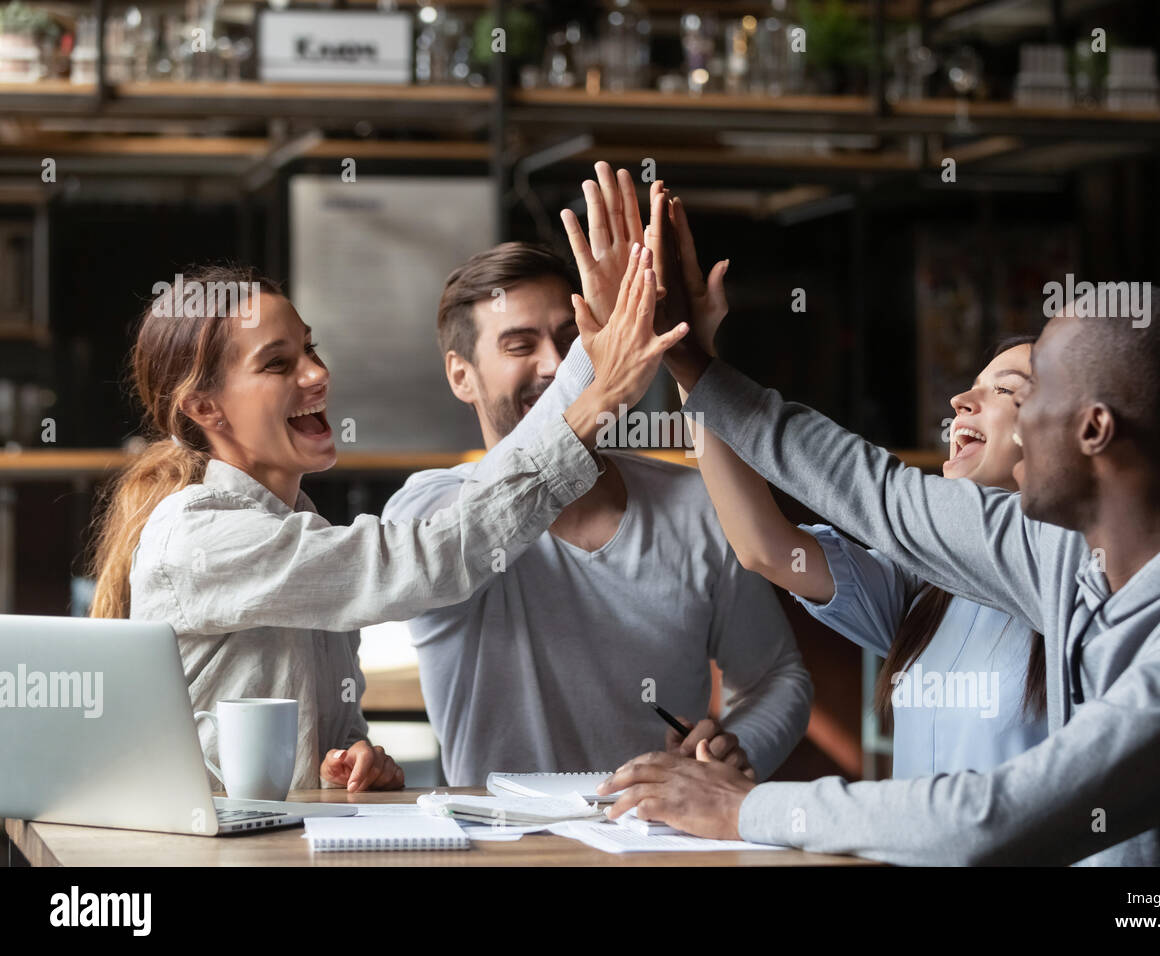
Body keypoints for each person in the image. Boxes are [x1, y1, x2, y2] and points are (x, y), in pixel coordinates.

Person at [597, 195, 1160, 865]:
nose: (990, 409)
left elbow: (998, 817)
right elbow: (876, 490)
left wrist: (744, 808)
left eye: (1030, 394)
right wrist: (692, 360)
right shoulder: (1064, 553)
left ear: (1094, 430)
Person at [89, 255, 687, 793]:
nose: (316, 374)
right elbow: (426, 560)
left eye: (309, 348)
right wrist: (590, 402)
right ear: (204, 408)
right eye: (277, 364)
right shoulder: (198, 534)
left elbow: (331, 730)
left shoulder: (301, 525)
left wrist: (350, 758)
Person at [383, 164, 811, 786]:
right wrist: (599, 368)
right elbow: (511, 486)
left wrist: (739, 747)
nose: (556, 364)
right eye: (519, 344)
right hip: (498, 850)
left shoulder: (694, 505)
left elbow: (777, 677)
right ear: (460, 376)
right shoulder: (432, 511)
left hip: (661, 843)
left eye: (572, 337)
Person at [685, 330, 1046, 778]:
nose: (959, 400)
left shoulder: (1076, 582)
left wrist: (695, 367)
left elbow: (872, 487)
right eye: (973, 384)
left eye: (1005, 389)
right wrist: (689, 364)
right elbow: (763, 549)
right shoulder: (924, 587)